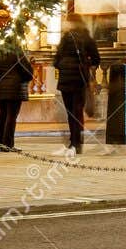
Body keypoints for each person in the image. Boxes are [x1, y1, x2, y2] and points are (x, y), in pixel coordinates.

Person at [53, 16, 101, 155]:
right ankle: (76, 143)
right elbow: (96, 59)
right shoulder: (86, 38)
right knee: (76, 112)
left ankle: (73, 143)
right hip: (79, 80)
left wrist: (64, 66)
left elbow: (56, 61)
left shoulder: (65, 38)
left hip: (66, 80)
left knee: (71, 113)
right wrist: (86, 65)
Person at [0, 43, 34, 152]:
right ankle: (8, 145)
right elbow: (27, 71)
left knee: (2, 115)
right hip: (15, 88)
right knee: (11, 116)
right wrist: (29, 69)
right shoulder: (17, 51)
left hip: (1, 88)